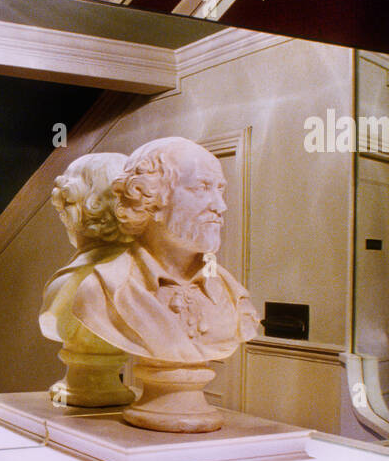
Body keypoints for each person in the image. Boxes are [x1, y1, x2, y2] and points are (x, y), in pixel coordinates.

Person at [71, 137, 259, 366]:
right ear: (148, 197)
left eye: (220, 189)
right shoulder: (101, 291)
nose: (220, 206)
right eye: (201, 188)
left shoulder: (233, 294)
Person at [39, 152, 137, 406]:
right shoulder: (137, 273)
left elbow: (54, 321)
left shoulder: (80, 280)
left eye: (65, 205)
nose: (61, 213)